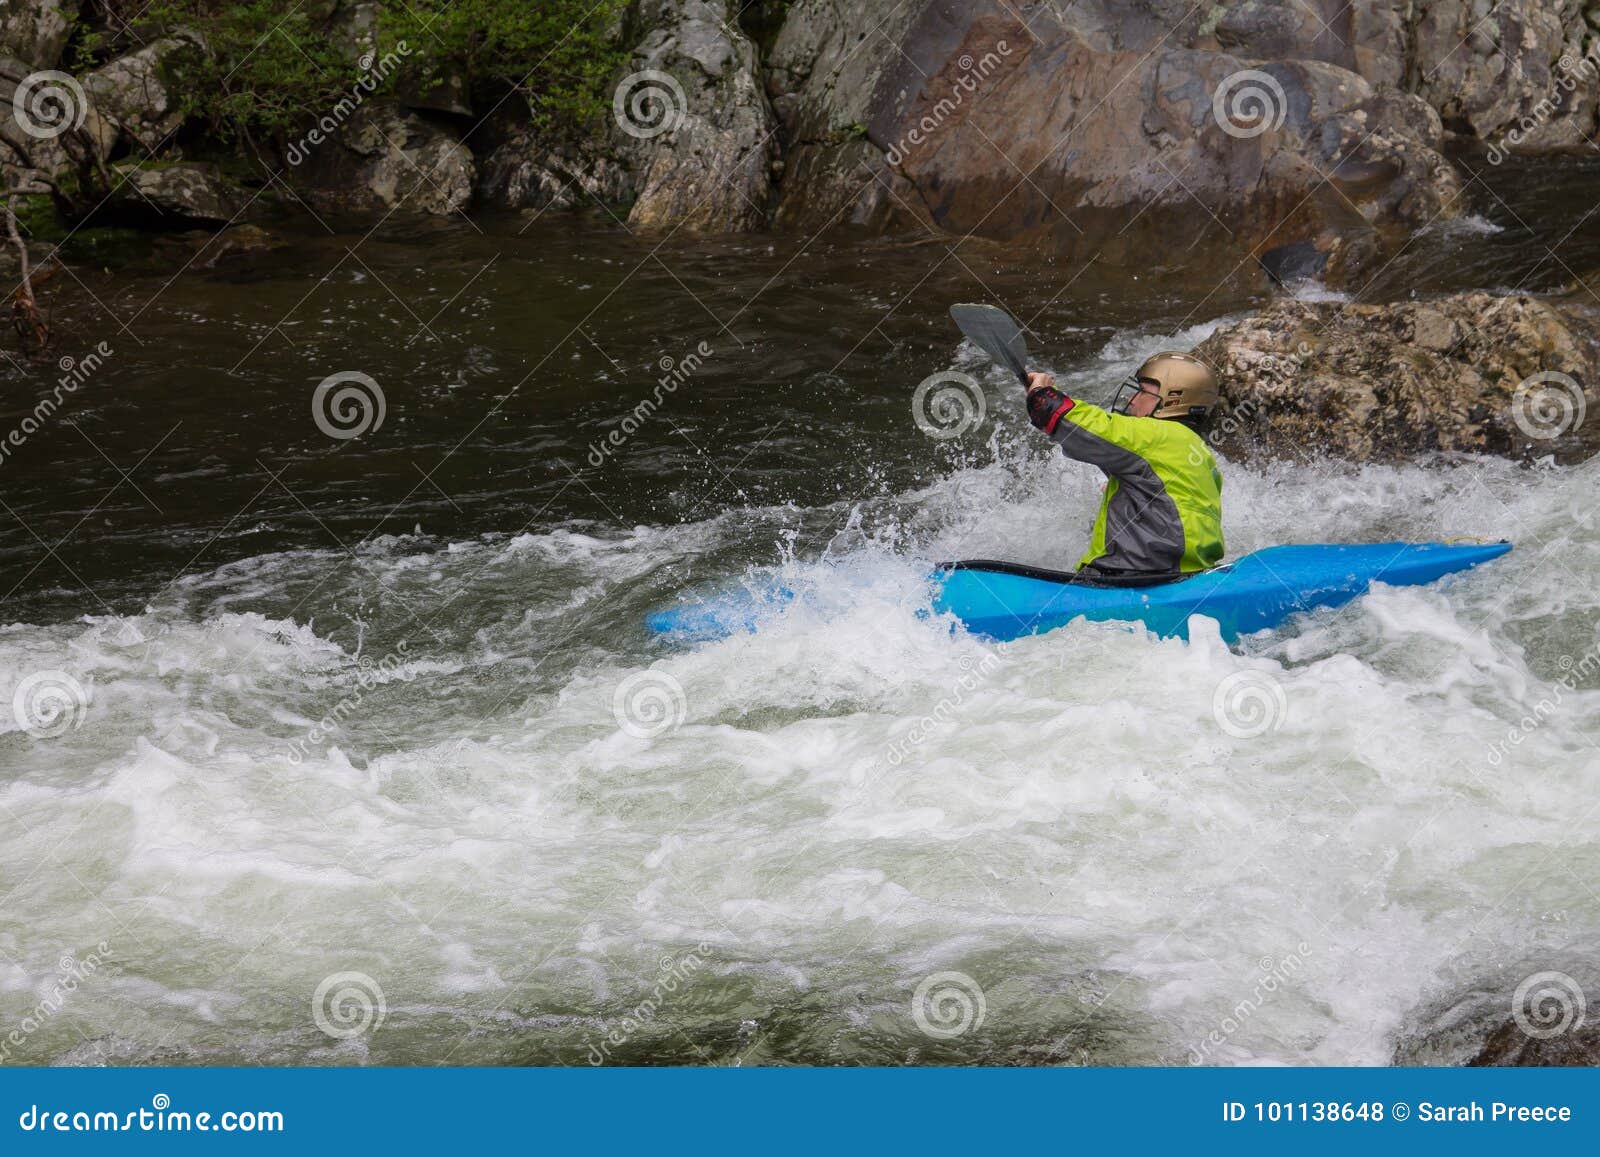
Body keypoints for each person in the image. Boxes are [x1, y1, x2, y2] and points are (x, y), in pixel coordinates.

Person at [1023, 352, 1223, 580]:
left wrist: (1043, 397)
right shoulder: (1197, 448)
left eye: (1143, 391)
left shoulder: (1154, 435)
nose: (1132, 399)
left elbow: (1083, 426)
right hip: (1187, 574)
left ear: (1174, 399)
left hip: (1133, 576)